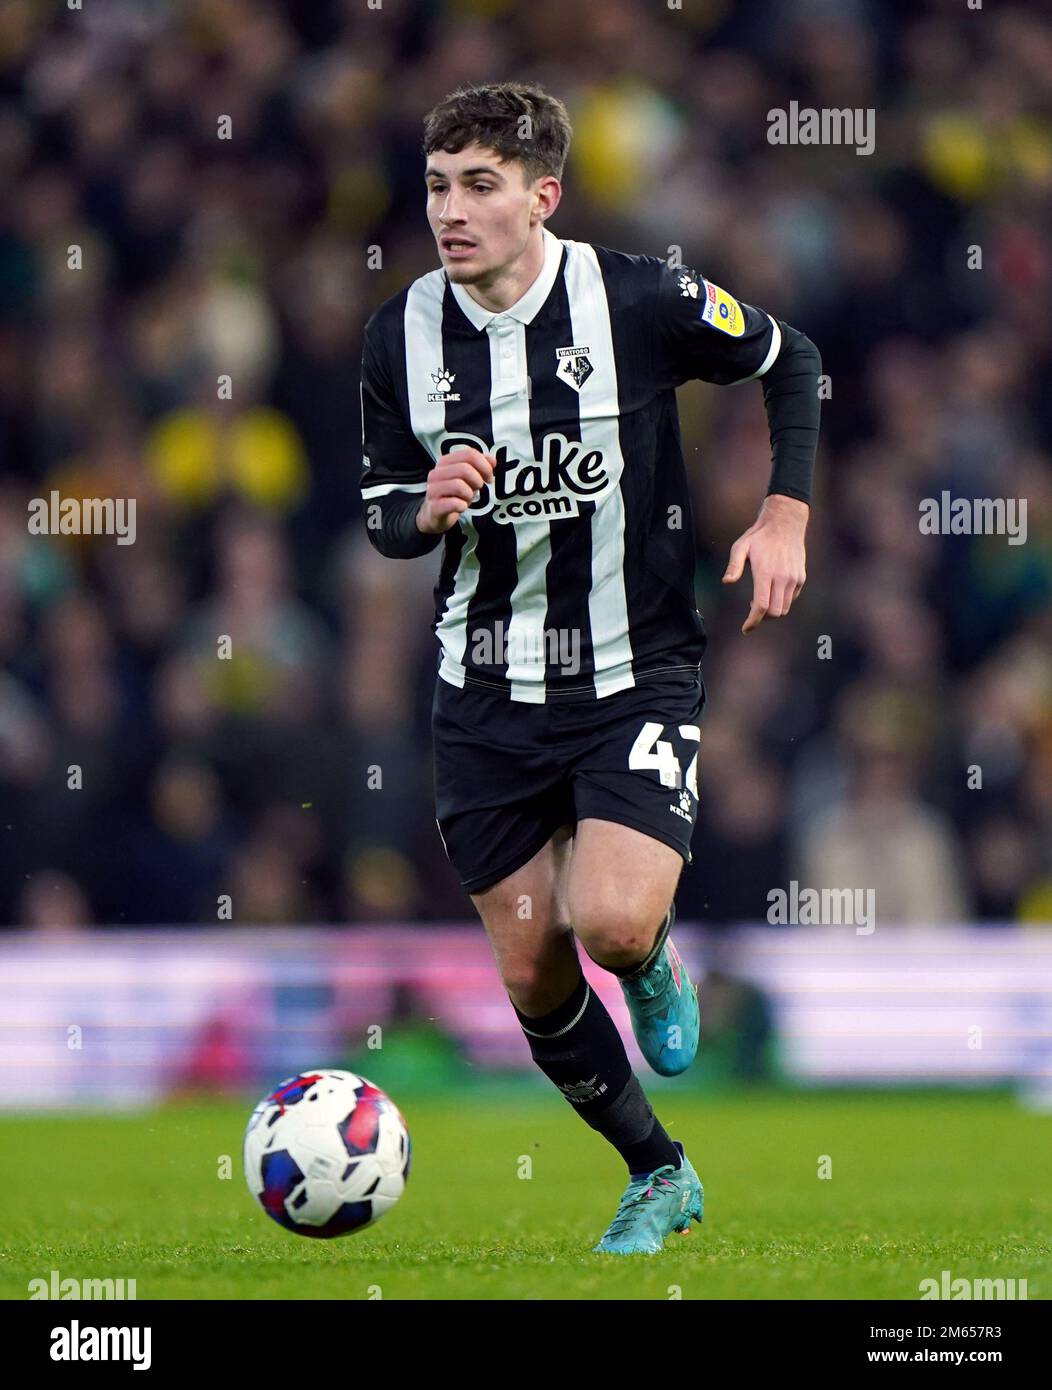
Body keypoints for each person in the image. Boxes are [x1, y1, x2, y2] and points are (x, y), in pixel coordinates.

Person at [359, 81, 820, 1253]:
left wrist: (783, 512)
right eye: (434, 187)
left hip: (631, 669)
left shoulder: (637, 299)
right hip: (482, 691)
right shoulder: (399, 336)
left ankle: (653, 955)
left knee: (608, 925)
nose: (449, 211)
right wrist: (425, 508)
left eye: (478, 186)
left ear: (541, 196)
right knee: (528, 971)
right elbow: (377, 512)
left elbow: (790, 357)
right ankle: (657, 1170)